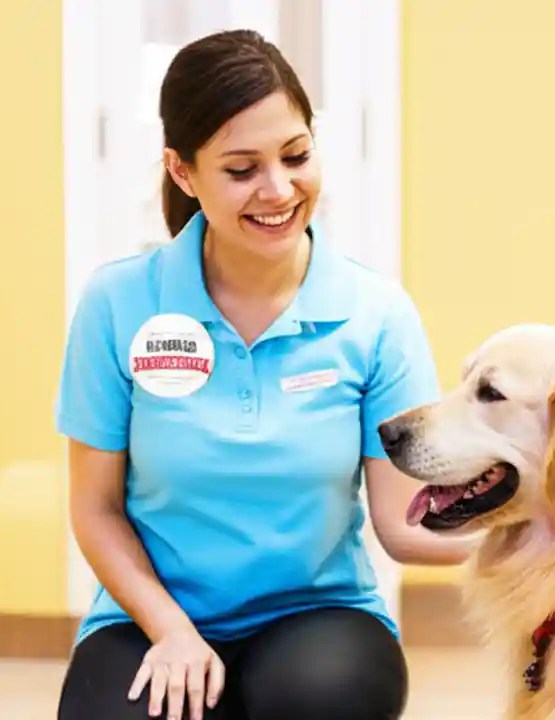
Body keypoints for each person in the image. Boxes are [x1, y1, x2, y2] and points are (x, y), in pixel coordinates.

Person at [54, 29, 475, 720]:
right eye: (241, 168)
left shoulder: (375, 314)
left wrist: (545, 528)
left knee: (319, 700)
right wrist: (172, 632)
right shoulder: (118, 304)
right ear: (183, 172)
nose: (278, 189)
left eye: (296, 155)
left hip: (320, 615)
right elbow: (96, 508)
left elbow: (402, 524)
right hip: (152, 618)